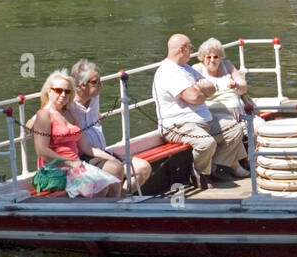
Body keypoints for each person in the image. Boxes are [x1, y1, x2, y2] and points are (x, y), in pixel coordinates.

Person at [153, 34, 247, 189]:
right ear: (182, 49)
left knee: (235, 129)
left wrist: (201, 90)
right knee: (206, 143)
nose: (192, 51)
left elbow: (210, 87)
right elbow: (194, 97)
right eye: (190, 48)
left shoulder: (186, 68)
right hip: (179, 124)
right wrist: (200, 89)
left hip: (204, 120)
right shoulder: (168, 71)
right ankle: (199, 173)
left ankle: (216, 167)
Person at [26, 70, 121, 198]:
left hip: (76, 166)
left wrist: (111, 158)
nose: (63, 94)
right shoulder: (44, 115)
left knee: (114, 183)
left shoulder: (70, 113)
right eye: (58, 90)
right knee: (99, 188)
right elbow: (42, 151)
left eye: (67, 91)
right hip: (57, 169)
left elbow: (86, 147)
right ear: (49, 91)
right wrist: (70, 163)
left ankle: (111, 217)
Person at [70, 59, 152, 196]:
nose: (100, 85)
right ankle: (115, 207)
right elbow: (42, 116)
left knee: (143, 168)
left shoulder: (94, 97)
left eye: (100, 81)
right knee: (115, 168)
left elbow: (95, 115)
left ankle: (121, 198)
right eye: (95, 82)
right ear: (81, 85)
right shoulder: (69, 105)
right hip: (86, 157)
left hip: (103, 151)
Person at [192, 38, 250, 176]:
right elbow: (194, 92)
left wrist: (236, 85)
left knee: (256, 126)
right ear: (203, 58)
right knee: (234, 129)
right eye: (209, 57)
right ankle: (224, 166)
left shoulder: (227, 65)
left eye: (216, 56)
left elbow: (243, 86)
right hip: (215, 113)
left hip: (238, 111)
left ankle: (246, 163)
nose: (212, 60)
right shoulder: (197, 69)